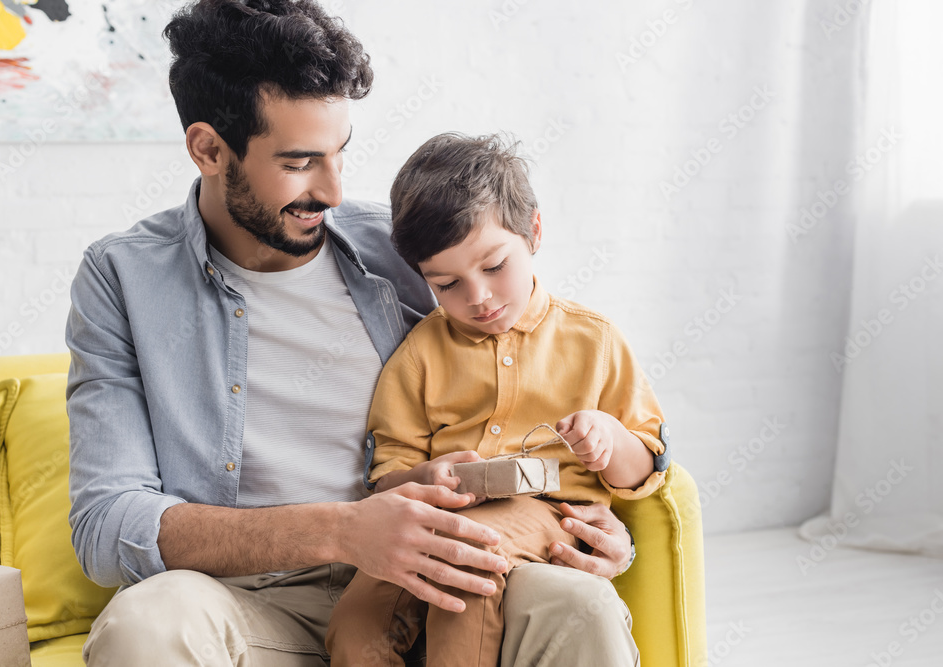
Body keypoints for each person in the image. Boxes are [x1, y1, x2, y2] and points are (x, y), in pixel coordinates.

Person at [66, 1, 641, 665]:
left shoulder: (401, 247)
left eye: (340, 153)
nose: (334, 192)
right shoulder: (124, 278)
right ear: (209, 149)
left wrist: (600, 528)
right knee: (144, 625)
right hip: (246, 602)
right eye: (299, 162)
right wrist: (343, 530)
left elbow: (537, 365)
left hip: (432, 583)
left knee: (582, 607)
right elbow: (106, 524)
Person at [325, 133, 669, 667]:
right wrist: (424, 477)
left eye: (493, 267)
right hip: (434, 518)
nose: (478, 297)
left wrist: (610, 438)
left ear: (534, 231)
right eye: (447, 284)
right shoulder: (419, 355)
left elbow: (645, 468)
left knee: (470, 557)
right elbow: (388, 474)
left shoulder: (593, 340)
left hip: (548, 515)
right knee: (356, 620)